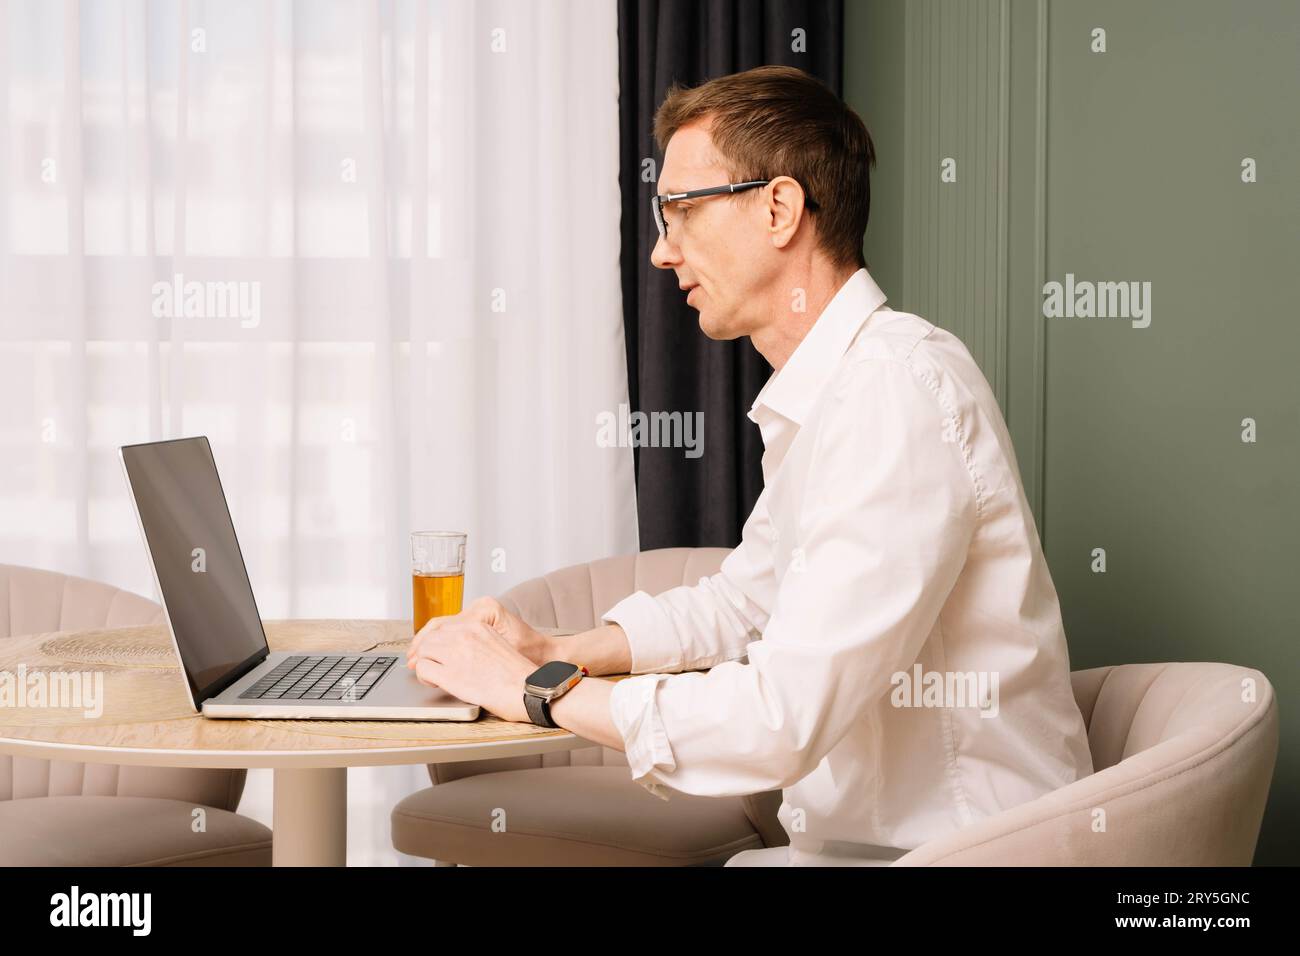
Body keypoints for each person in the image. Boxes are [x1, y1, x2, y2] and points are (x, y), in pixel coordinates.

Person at [406, 64, 1093, 867]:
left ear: (779, 208)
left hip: (964, 854)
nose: (663, 253)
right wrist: (557, 648)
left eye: (680, 213)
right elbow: (744, 602)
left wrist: (535, 695)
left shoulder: (894, 394)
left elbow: (782, 716)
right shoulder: (833, 393)